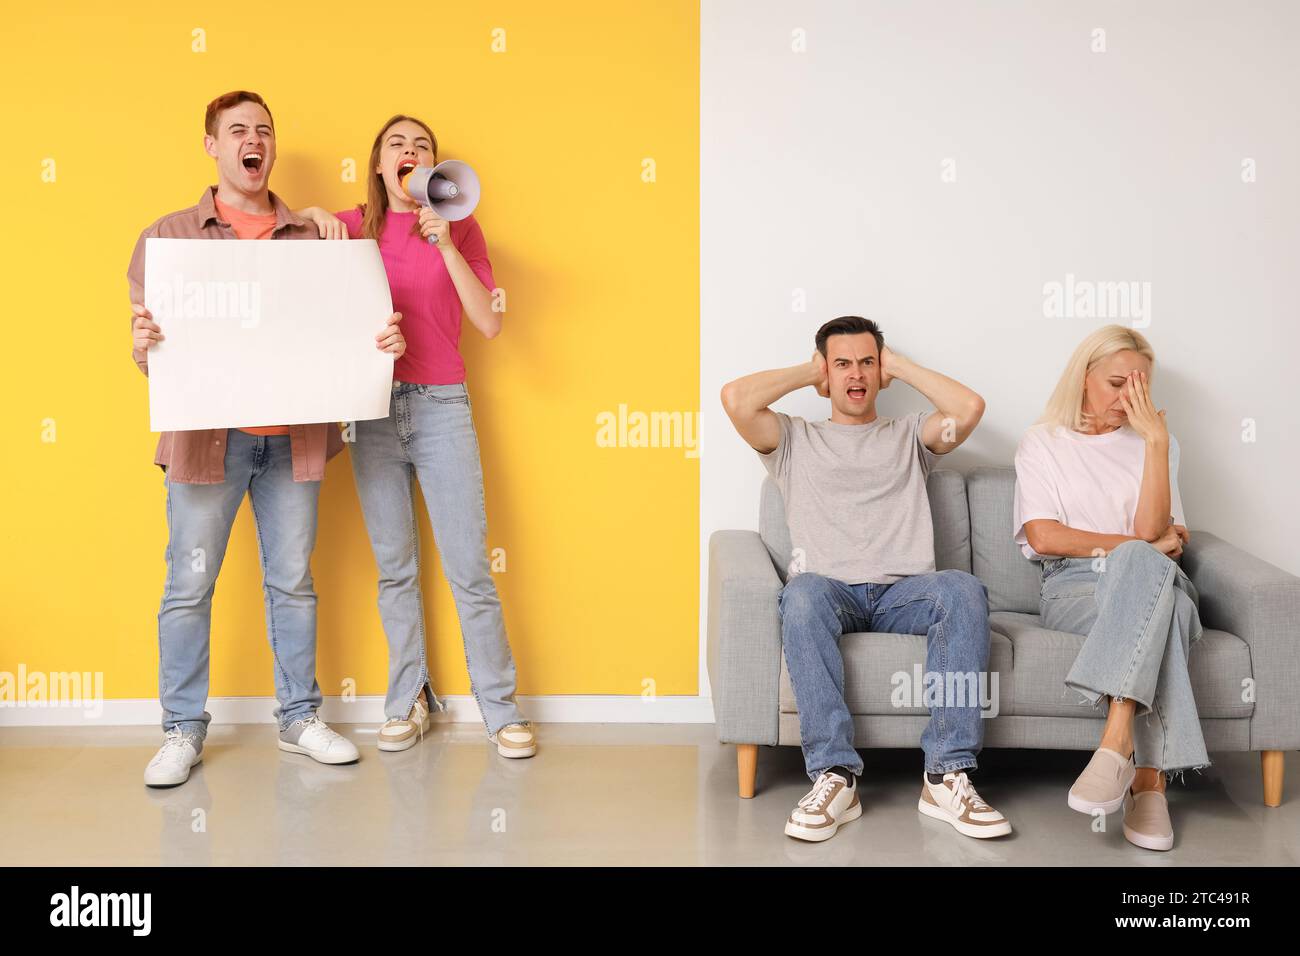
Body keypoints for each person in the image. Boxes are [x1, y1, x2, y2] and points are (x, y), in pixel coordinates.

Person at [128, 90, 406, 787]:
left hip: (292, 446)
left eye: (265, 131)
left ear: (271, 149)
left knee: (292, 583)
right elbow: (154, 349)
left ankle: (298, 718)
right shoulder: (172, 238)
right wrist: (144, 344)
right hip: (206, 446)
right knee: (189, 585)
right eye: (238, 130)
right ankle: (181, 730)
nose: (254, 140)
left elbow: (346, 327)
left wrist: (382, 342)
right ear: (213, 146)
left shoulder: (314, 238)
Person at [296, 115, 534, 758]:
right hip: (372, 411)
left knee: (468, 568)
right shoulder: (353, 228)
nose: (408, 152)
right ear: (378, 164)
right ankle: (408, 699)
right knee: (395, 569)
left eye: (421, 146)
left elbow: (488, 322)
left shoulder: (460, 227)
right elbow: (296, 268)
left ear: (432, 169)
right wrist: (314, 213)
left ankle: (500, 708)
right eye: (395, 144)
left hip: (441, 407)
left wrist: (446, 244)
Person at [720, 315, 1010, 842]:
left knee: (963, 589)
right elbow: (736, 398)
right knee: (800, 593)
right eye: (842, 365)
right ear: (825, 376)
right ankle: (835, 774)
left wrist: (896, 363)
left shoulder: (909, 436)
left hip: (905, 593)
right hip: (829, 590)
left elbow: (968, 409)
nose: (856, 375)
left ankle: (946, 774)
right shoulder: (791, 439)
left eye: (868, 363)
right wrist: (809, 369)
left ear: (882, 373)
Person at [1013, 323, 1205, 851]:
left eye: (1141, 387)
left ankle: (1115, 745)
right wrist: (1134, 547)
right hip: (1076, 586)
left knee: (1148, 572)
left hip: (1157, 579)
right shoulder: (1043, 442)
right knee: (1160, 595)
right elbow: (1044, 535)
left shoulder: (1157, 443)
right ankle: (1150, 786)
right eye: (1118, 383)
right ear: (1083, 379)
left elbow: (1155, 534)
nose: (1129, 399)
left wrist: (1157, 442)